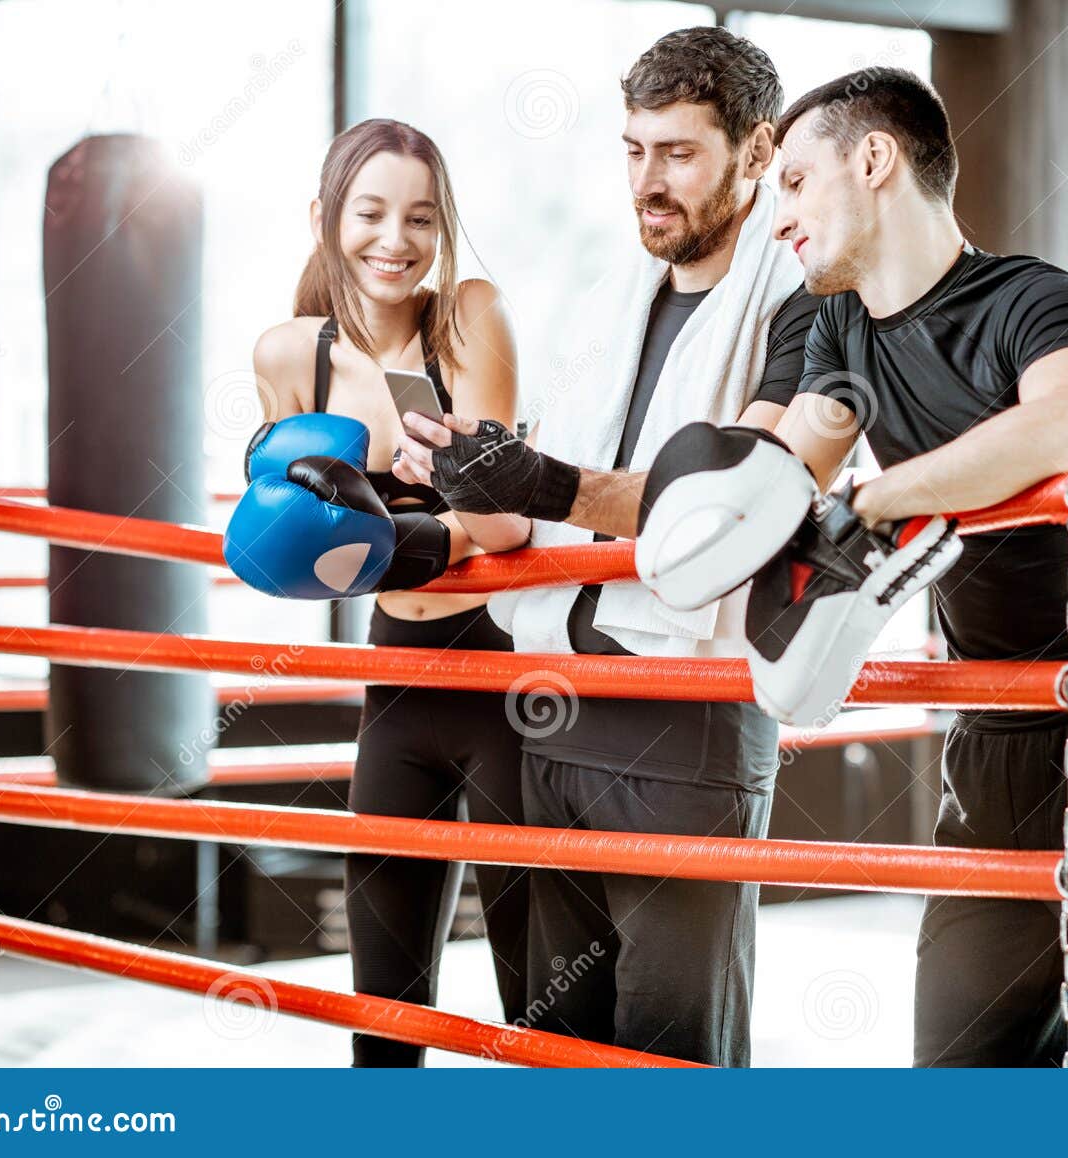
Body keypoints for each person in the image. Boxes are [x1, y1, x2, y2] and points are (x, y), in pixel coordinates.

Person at [393, 27, 820, 1067]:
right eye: (633, 150)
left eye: (677, 152)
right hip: (552, 700)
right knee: (557, 1045)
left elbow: (741, 496)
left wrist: (539, 480)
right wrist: (467, 470)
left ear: (757, 155)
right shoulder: (604, 302)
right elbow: (556, 481)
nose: (648, 181)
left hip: (686, 711)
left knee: (675, 1051)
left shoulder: (806, 304)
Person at [754, 68, 1068, 1065]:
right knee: (962, 1068)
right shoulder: (838, 327)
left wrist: (876, 500)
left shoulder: (1032, 298)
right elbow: (790, 470)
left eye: (793, 182)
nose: (777, 217)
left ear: (872, 158)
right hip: (997, 736)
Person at [241, 118, 530, 1067]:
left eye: (418, 217)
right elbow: (292, 545)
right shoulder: (290, 354)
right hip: (395, 679)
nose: (393, 240)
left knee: (537, 993)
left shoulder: (470, 317)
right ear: (326, 218)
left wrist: (397, 526)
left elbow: (506, 525)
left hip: (501, 676)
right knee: (384, 1004)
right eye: (369, 213)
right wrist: (362, 530)